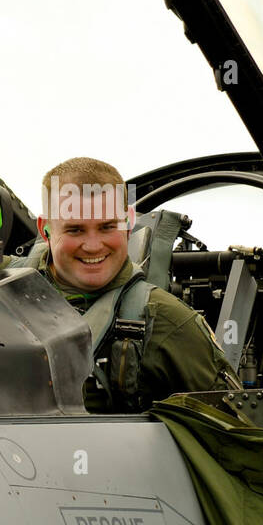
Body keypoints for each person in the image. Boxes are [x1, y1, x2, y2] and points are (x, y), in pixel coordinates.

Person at [25, 156, 240, 411]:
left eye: (106, 227)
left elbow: (236, 430)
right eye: (75, 230)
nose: (93, 245)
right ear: (45, 229)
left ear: (128, 222)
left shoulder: (168, 322)